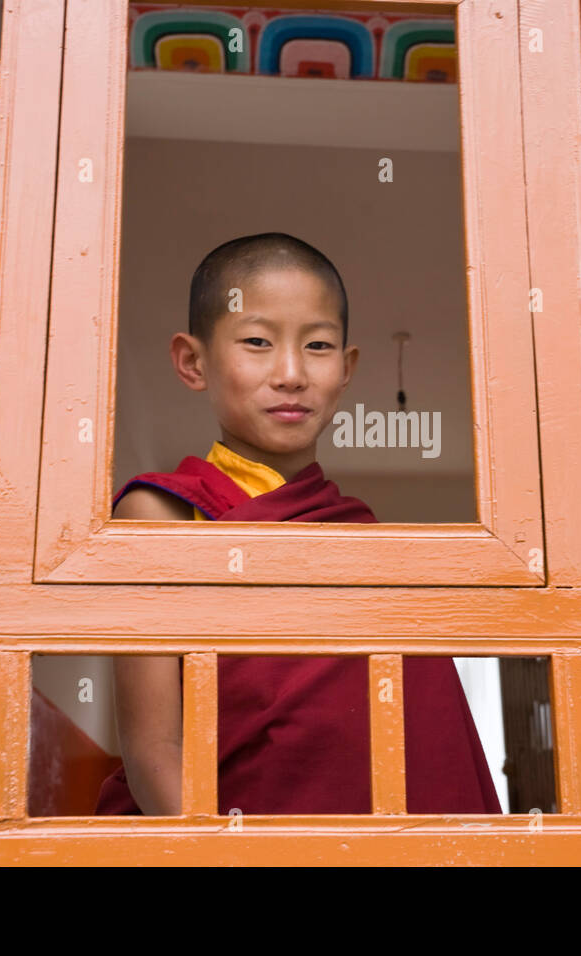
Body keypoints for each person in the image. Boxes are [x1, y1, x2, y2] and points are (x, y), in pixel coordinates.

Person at [94, 232, 501, 816]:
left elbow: (428, 741)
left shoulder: (361, 537)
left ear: (346, 367)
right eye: (257, 341)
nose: (290, 373)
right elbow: (153, 745)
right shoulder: (162, 514)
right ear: (193, 361)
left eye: (317, 346)